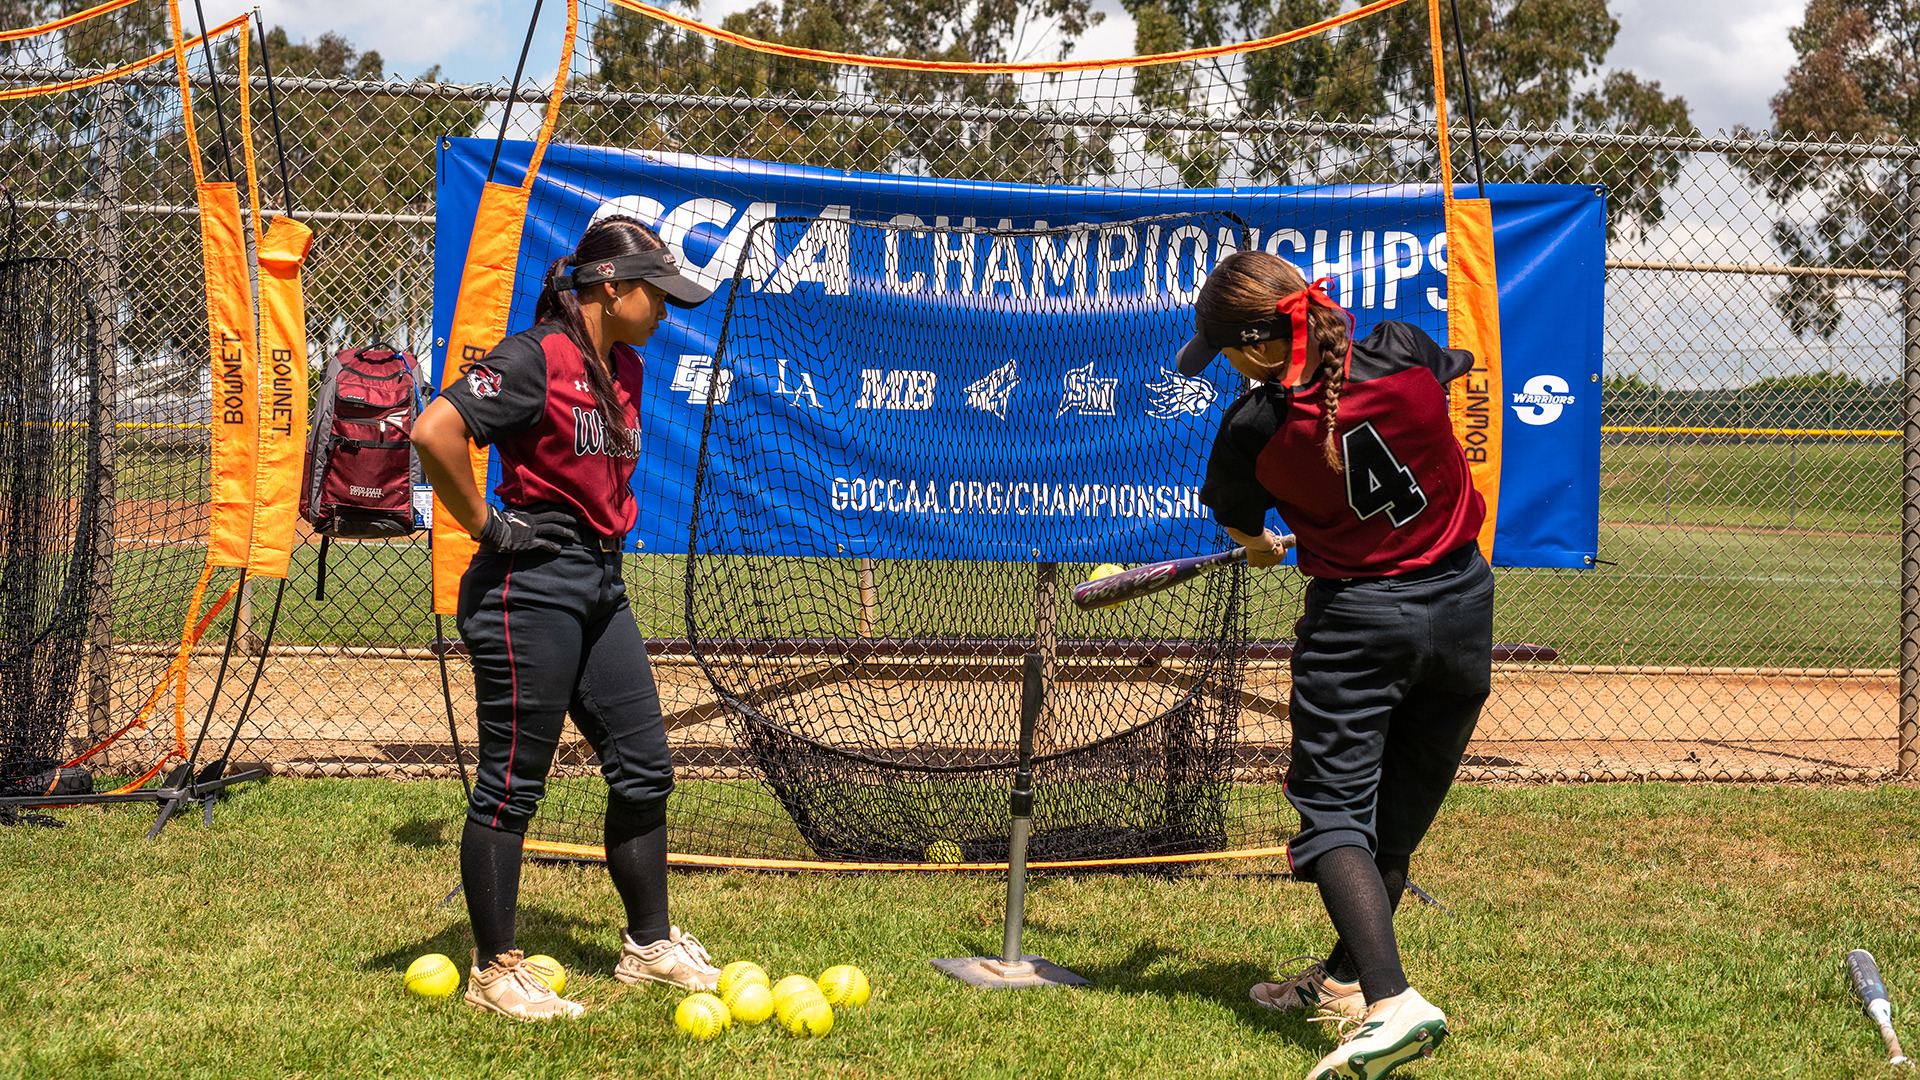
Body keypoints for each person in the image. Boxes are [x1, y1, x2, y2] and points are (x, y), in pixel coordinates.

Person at [1178, 250, 1494, 1080]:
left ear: (1253, 346)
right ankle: (1346, 981)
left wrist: (1262, 549)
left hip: (1359, 625)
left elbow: (1250, 537)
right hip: (1463, 610)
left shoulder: (1251, 429)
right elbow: (1447, 370)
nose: (1227, 373)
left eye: (1227, 355)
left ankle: (1392, 1004)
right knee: (1392, 822)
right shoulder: (1396, 343)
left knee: (1332, 819)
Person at [413, 217, 727, 1021]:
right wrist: (485, 524)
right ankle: (495, 970)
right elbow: (435, 430)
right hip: (530, 587)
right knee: (512, 784)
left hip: (600, 585)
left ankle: (649, 947)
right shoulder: (534, 358)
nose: (665, 311)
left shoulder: (623, 364)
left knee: (646, 765)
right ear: (611, 287)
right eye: (657, 294)